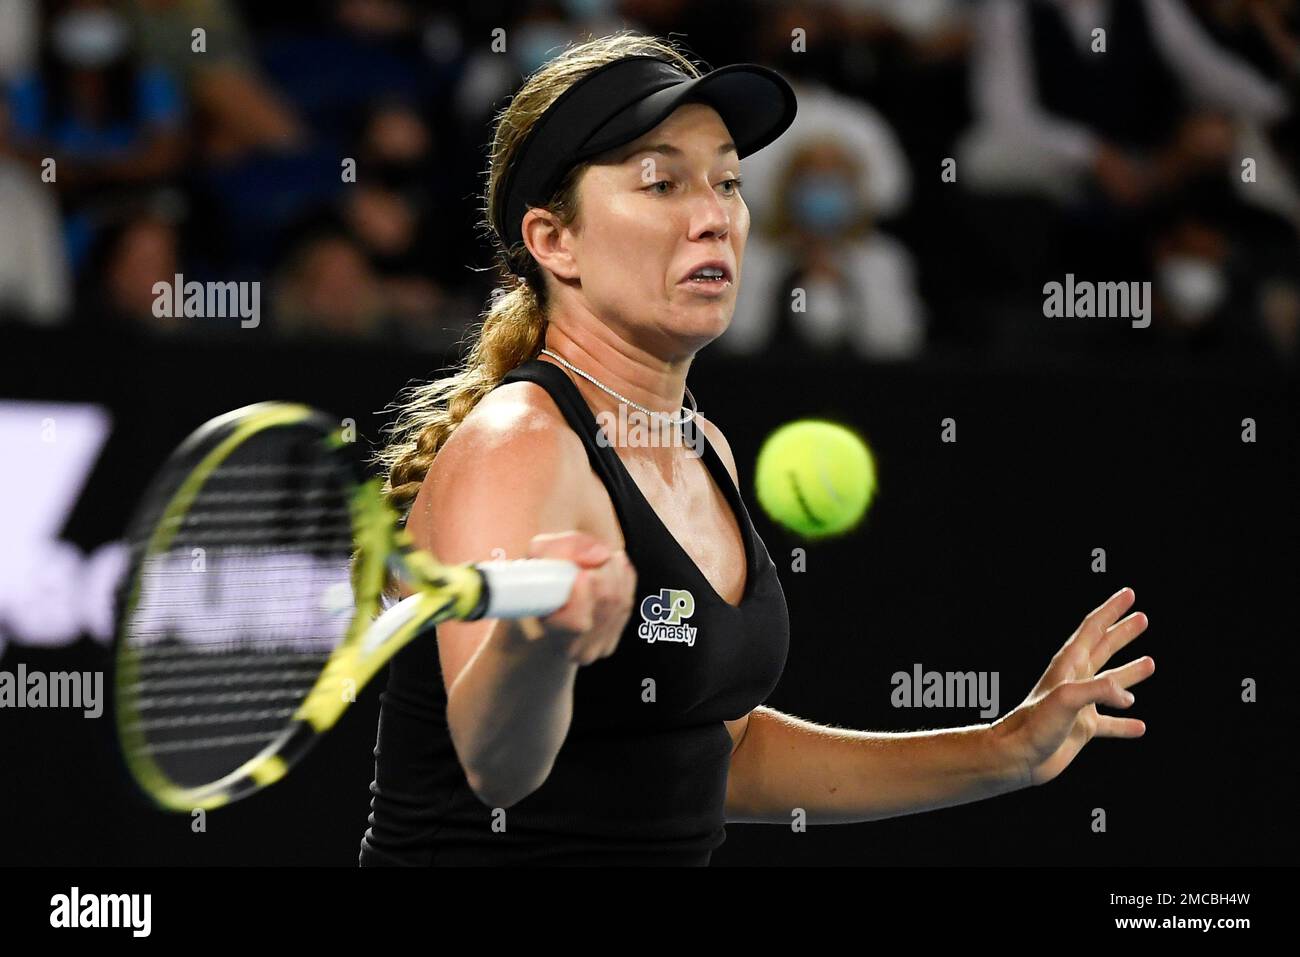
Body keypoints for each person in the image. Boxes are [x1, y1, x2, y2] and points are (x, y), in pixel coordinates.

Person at [359, 31, 1156, 866]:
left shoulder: (704, 447)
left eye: (728, 181)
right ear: (555, 242)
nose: (713, 216)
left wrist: (1005, 748)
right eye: (661, 182)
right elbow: (497, 765)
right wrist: (542, 645)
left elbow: (722, 756)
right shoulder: (522, 444)